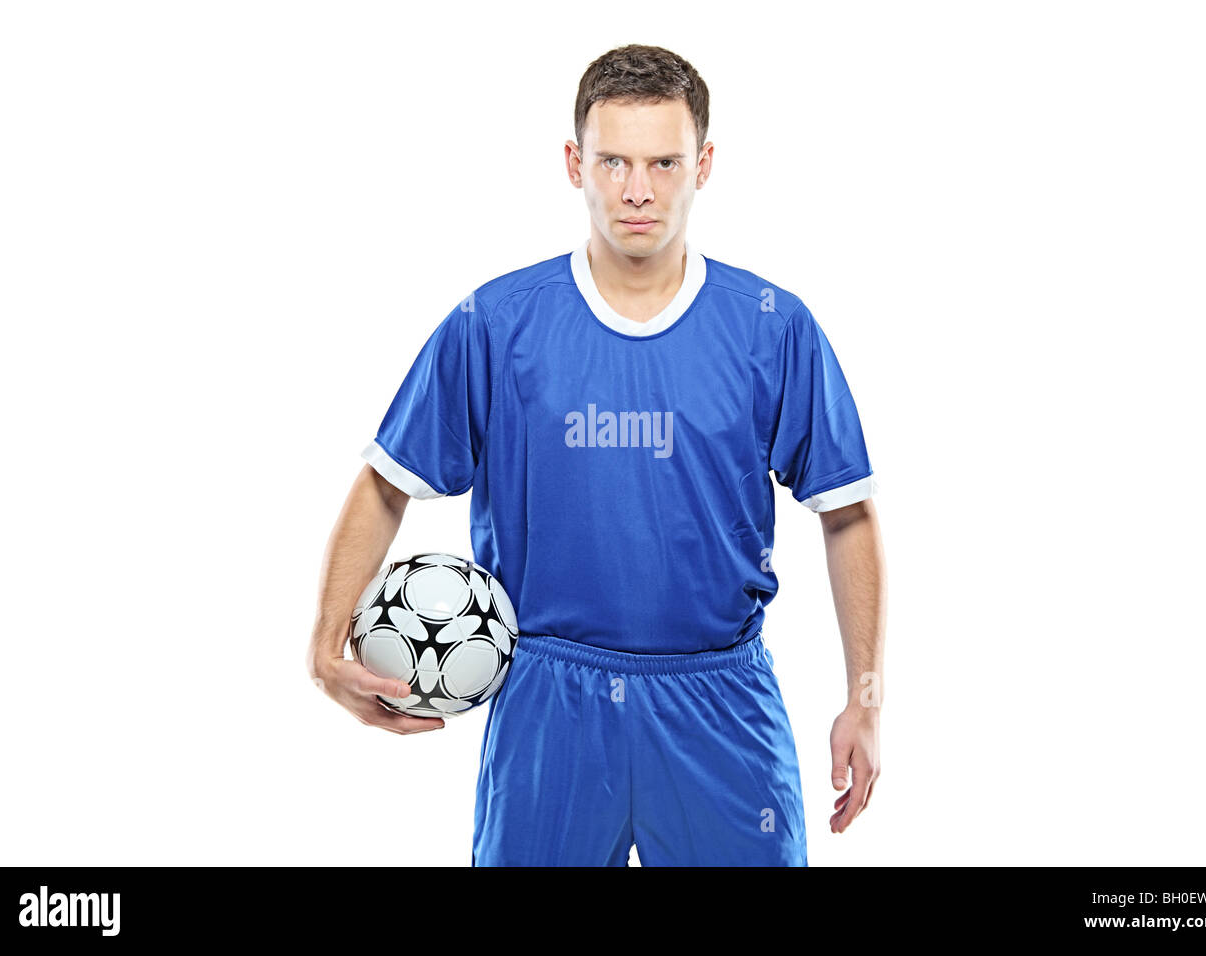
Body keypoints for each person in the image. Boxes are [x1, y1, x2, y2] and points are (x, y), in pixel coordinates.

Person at [306, 43, 886, 866]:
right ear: (575, 162)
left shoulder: (772, 327)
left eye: (663, 162)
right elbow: (385, 482)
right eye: (613, 160)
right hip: (549, 703)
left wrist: (865, 698)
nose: (638, 189)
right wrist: (328, 642)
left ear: (705, 164)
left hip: (720, 703)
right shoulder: (497, 324)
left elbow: (848, 512)